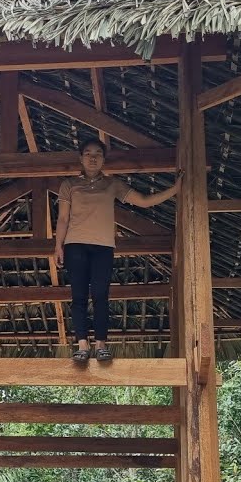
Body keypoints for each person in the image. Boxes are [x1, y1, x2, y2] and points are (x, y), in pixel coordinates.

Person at [53, 139, 180, 363]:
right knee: (79, 296)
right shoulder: (69, 184)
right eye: (88, 153)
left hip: (103, 247)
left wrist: (175, 189)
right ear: (80, 158)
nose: (93, 158)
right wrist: (58, 246)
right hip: (75, 245)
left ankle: (101, 344)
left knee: (101, 296)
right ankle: (82, 344)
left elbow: (144, 201)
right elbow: (63, 218)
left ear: (104, 159)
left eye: (98, 154)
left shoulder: (113, 184)